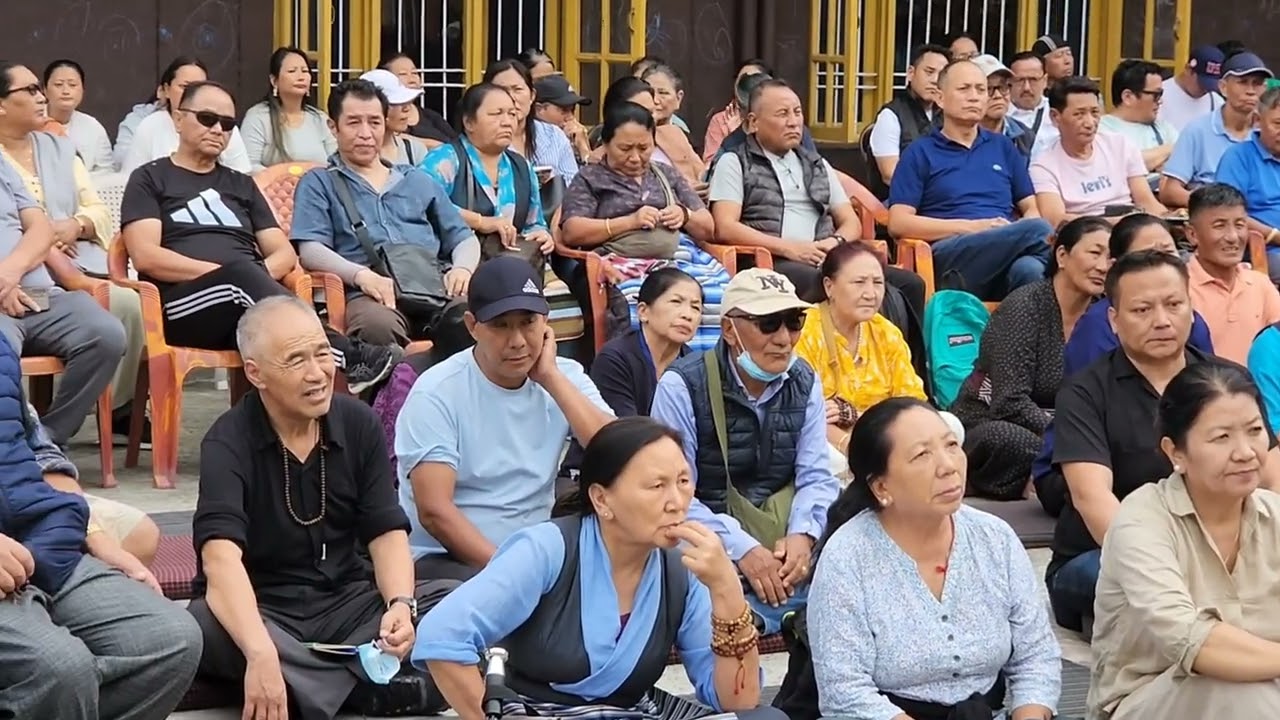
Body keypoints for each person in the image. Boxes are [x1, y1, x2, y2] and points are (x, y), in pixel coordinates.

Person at [188, 296, 455, 720]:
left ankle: (308, 686)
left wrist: (401, 606)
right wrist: (259, 652)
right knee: (195, 630)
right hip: (265, 611)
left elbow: (385, 531)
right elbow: (220, 563)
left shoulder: (358, 423)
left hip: (348, 604)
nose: (317, 373)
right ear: (256, 374)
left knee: (455, 600)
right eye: (296, 360)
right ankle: (361, 688)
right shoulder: (227, 442)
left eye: (321, 354)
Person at [415, 417, 783, 720]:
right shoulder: (546, 549)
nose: (676, 502)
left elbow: (738, 701)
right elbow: (441, 637)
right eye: (657, 486)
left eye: (683, 482)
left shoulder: (682, 570)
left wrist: (726, 591)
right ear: (602, 499)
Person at [1045, 250, 1279, 636]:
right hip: (1106, 552)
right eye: (1142, 310)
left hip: (1225, 548)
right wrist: (1172, 564)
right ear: (1114, 320)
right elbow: (1093, 499)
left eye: (1174, 305)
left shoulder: (1227, 380)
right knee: (1124, 585)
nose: (1162, 321)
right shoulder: (1085, 392)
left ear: (1191, 307)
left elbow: (1271, 476)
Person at [120, 80, 398, 392]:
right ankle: (347, 355)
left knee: (275, 328)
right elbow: (146, 256)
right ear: (179, 118)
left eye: (227, 124)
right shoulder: (149, 178)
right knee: (245, 280)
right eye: (207, 119)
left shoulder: (241, 184)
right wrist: (228, 276)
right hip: (181, 307)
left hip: (246, 301)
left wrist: (253, 276)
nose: (217, 130)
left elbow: (283, 253)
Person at [808, 397, 1061, 719]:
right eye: (922, 455)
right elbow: (844, 691)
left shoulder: (994, 537)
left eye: (951, 445)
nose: (948, 466)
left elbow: (1036, 656)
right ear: (881, 486)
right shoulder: (847, 557)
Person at [0, 324, 202, 718]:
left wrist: (99, 539)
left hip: (44, 544)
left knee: (169, 640)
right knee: (59, 669)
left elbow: (38, 453)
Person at [395, 257, 614, 582]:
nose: (517, 341)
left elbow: (620, 452)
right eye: (500, 325)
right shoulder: (437, 392)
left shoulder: (564, 377)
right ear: (472, 326)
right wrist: (510, 572)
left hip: (536, 547)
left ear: (546, 321)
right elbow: (435, 513)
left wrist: (550, 378)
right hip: (448, 558)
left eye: (528, 322)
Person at [650, 268, 841, 634]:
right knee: (674, 550)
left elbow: (816, 476)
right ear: (729, 330)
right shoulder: (682, 385)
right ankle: (779, 612)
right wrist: (743, 549)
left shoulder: (804, 378)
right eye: (768, 324)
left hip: (782, 530)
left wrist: (803, 536)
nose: (785, 338)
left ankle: (759, 613)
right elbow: (675, 497)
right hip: (709, 529)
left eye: (794, 321)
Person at [1090, 361, 1280, 719]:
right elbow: (1192, 642)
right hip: (1150, 698)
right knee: (1233, 689)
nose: (1245, 451)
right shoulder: (1142, 520)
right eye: (1221, 437)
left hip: (1267, 687)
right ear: (1175, 452)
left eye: (1254, 430)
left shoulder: (1276, 514)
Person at [1031, 215, 1215, 516]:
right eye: (1144, 256)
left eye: (1166, 253)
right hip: (1097, 462)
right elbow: (1094, 489)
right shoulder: (1095, 334)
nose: (1162, 320)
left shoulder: (1223, 370)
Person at [0, 61, 140, 446]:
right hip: (7, 300)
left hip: (42, 287)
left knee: (107, 333)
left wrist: (10, 272)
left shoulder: (30, 158)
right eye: (29, 90)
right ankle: (10, 450)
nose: (41, 96)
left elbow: (41, 225)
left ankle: (48, 438)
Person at [292, 78, 479, 349]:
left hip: (433, 287)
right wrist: (361, 276)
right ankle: (394, 392)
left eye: (374, 122)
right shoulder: (319, 182)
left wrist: (462, 269)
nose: (366, 133)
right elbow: (310, 249)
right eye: (354, 122)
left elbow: (463, 237)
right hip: (368, 293)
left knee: (473, 318)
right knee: (377, 327)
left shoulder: (416, 179)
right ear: (333, 127)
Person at [951, 217, 1109, 500]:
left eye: (1112, 257)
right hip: (994, 419)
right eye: (1095, 253)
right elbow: (1008, 403)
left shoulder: (1104, 315)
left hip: (1072, 427)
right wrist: (1072, 436)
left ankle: (1053, 481)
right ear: (1062, 255)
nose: (1103, 266)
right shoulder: (1023, 308)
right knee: (1006, 440)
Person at [560, 101, 723, 352]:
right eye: (625, 148)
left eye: (644, 148)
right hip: (621, 263)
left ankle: (705, 370)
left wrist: (684, 215)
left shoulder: (666, 174)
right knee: (644, 304)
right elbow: (571, 231)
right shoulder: (590, 178)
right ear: (605, 143)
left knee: (717, 296)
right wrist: (629, 222)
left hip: (680, 259)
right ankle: (644, 374)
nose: (635, 157)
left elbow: (708, 227)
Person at [887, 59, 1054, 301]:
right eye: (964, 89)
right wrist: (974, 227)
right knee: (1042, 231)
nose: (974, 97)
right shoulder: (920, 152)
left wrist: (1016, 231)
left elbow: (1031, 208)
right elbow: (898, 223)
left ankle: (1017, 336)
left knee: (1029, 269)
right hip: (952, 254)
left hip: (1004, 248)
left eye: (980, 89)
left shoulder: (1003, 147)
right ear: (940, 99)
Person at [707, 79, 866, 300]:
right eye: (782, 114)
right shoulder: (735, 162)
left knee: (904, 283)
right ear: (753, 122)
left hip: (823, 256)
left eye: (797, 112)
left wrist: (834, 243)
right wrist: (789, 248)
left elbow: (850, 221)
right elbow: (725, 227)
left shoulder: (816, 163)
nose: (793, 122)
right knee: (826, 282)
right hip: (772, 260)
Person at [793, 241, 928, 460]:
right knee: (831, 459)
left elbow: (913, 402)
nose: (871, 293)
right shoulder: (804, 330)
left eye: (877, 283)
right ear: (829, 286)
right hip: (827, 438)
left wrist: (856, 416)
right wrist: (849, 445)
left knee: (948, 426)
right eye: (859, 282)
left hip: (885, 434)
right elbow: (804, 414)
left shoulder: (886, 332)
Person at [419, 82, 553, 271]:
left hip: (510, 269)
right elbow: (421, 205)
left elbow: (534, 223)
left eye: (512, 114)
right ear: (469, 122)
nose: (507, 122)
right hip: (451, 269)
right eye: (496, 114)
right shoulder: (445, 159)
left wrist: (541, 235)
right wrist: (481, 222)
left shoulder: (522, 166)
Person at [1031, 76, 1168, 227]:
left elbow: (1146, 201)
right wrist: (1113, 223)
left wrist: (1170, 219)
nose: (1090, 123)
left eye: (1095, 113)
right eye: (1079, 114)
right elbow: (1055, 219)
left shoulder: (1120, 145)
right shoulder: (1043, 165)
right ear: (1055, 117)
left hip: (1131, 228)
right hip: (1084, 235)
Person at [1184, 183, 1280, 364]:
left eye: (1240, 225)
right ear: (1192, 234)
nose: (1233, 237)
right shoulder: (1179, 289)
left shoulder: (1260, 284)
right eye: (1219, 226)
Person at [1160, 52, 1269, 209]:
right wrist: (1214, 205)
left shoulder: (1269, 131)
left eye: (1257, 84)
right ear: (1223, 87)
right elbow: (1170, 191)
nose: (1251, 91)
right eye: (1243, 82)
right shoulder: (1198, 130)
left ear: (1264, 89)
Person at [589, 267, 701, 417]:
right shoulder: (615, 358)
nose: (688, 315)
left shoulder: (696, 367)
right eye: (676, 302)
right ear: (643, 311)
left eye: (695, 307)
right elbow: (624, 429)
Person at [120, 56, 252, 175]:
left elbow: (242, 176)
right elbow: (129, 180)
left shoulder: (223, 125)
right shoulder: (150, 125)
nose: (192, 94)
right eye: (185, 87)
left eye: (199, 87)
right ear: (165, 90)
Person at [1212, 85, 1280, 283]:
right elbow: (1228, 213)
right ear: (1257, 121)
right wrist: (1274, 235)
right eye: (1277, 123)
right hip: (1265, 248)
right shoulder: (1238, 157)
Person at [241, 46, 337, 172]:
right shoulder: (258, 116)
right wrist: (291, 173)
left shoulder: (319, 118)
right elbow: (248, 166)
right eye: (292, 71)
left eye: (305, 71)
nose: (301, 77)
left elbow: (335, 163)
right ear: (274, 80)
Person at [867, 44, 948, 192]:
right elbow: (890, 175)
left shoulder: (948, 113)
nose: (935, 80)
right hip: (897, 201)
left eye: (941, 75)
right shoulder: (891, 115)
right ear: (911, 73)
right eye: (929, 72)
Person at [483, 59, 579, 185]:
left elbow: (573, 190)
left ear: (532, 96)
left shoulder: (554, 136)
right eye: (502, 90)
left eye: (517, 89)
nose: (511, 97)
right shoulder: (481, 138)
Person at [1100, 59, 1179, 189]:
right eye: (1156, 95)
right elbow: (1120, 168)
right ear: (1128, 97)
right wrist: (1169, 149)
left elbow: (1183, 165)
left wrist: (1149, 160)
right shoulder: (1103, 129)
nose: (1160, 101)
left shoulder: (1164, 128)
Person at [41, 59, 113, 175]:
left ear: (83, 90)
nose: (66, 91)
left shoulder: (92, 126)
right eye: (58, 84)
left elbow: (106, 170)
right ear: (45, 90)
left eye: (72, 85)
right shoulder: (29, 122)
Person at [640, 64, 707, 186]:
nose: (655, 100)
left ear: (679, 98)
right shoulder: (625, 133)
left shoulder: (681, 136)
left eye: (663, 93)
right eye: (650, 92)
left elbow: (701, 175)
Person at [703, 58, 773, 162]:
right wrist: (735, 136)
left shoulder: (780, 119)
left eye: (754, 80)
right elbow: (709, 167)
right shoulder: (720, 120)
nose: (748, 86)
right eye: (742, 81)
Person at [378, 52, 457, 144]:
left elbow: (457, 146)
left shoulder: (431, 116)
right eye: (403, 74)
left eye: (414, 73)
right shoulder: (382, 120)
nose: (412, 79)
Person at [360, 68, 433, 166]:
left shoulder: (415, 150)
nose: (406, 108)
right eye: (395, 103)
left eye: (406, 102)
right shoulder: (347, 151)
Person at [972, 54, 1034, 158]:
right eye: (988, 88)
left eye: (1003, 87)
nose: (998, 95)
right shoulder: (958, 136)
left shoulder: (1024, 136)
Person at [1158, 45, 1226, 133]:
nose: (1206, 90)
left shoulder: (1216, 102)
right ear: (1188, 70)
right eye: (1202, 83)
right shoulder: (1160, 95)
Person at [1006, 51, 1060, 159]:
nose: (1026, 87)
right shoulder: (1000, 116)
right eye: (1020, 80)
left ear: (1045, 81)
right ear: (1009, 82)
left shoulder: (1059, 112)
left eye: (1033, 80)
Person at [532, 73, 593, 163]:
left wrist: (583, 148)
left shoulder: (573, 138)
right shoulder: (526, 139)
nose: (570, 117)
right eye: (564, 110)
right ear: (539, 109)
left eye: (572, 110)